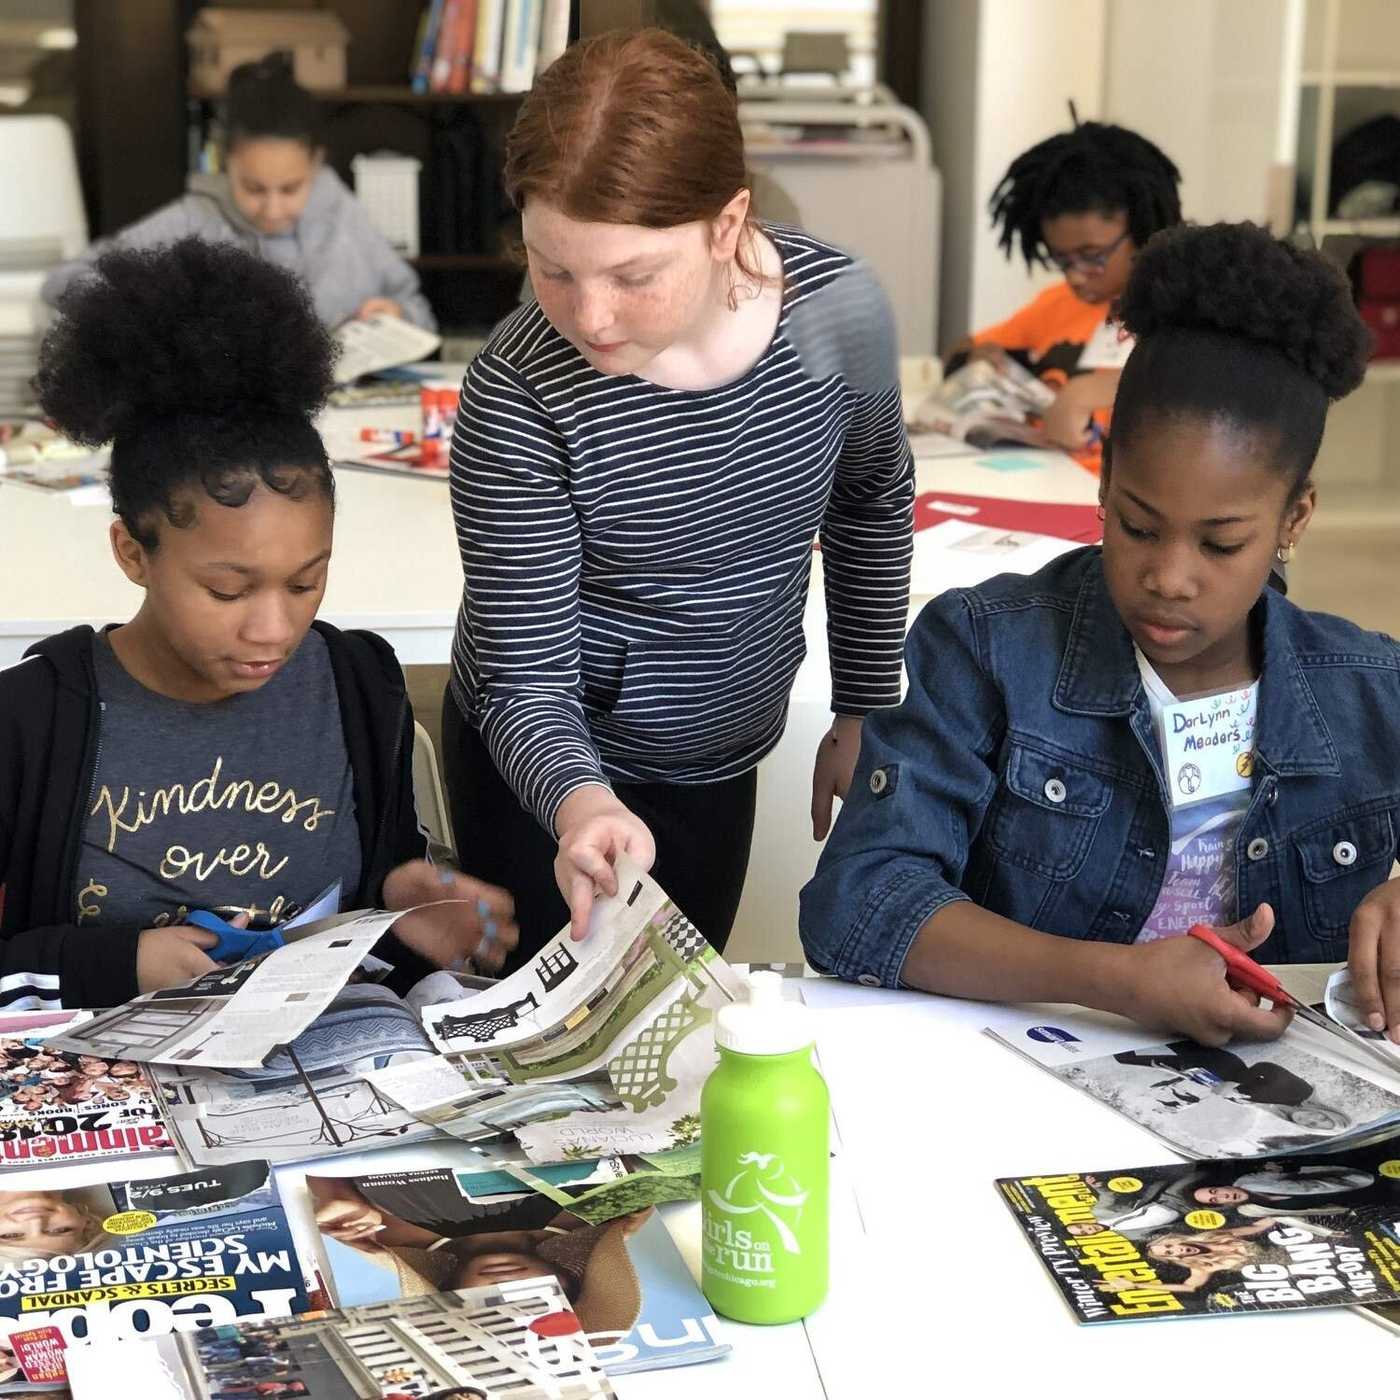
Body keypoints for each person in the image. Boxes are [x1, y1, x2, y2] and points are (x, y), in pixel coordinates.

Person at [800, 220, 1399, 1047]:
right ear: (1106, 476)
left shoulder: (1370, 690)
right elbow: (856, 906)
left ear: (1295, 518)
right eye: (1139, 526)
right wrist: (1115, 978)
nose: (1170, 577)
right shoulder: (986, 651)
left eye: (1221, 544)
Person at [441, 29, 912, 968]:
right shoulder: (517, 389)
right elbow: (525, 678)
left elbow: (869, 501)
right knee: (548, 1063)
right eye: (552, 267)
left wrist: (863, 706)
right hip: (546, 772)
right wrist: (583, 803)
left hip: (719, 755)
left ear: (727, 224)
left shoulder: (836, 311)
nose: (590, 316)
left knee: (680, 1045)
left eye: (634, 275)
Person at [0, 238, 516, 1009]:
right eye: (227, 590)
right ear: (132, 553)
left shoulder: (354, 683)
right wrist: (117, 963)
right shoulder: (35, 719)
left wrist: (403, 897)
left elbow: (364, 895)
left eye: (306, 581)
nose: (274, 629)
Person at [40, 57, 435, 332]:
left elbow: (419, 311)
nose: (273, 208)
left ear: (317, 162)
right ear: (226, 163)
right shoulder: (192, 219)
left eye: (291, 188)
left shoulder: (345, 213)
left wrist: (398, 316)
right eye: (254, 188)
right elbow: (63, 283)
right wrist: (155, 307)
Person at [943, 119, 1181, 466]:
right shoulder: (1058, 304)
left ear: (1145, 228)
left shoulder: (1185, 307)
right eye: (1061, 259)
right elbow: (964, 349)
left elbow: (1221, 380)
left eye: (1092, 256)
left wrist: (1096, 391)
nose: (1075, 277)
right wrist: (975, 361)